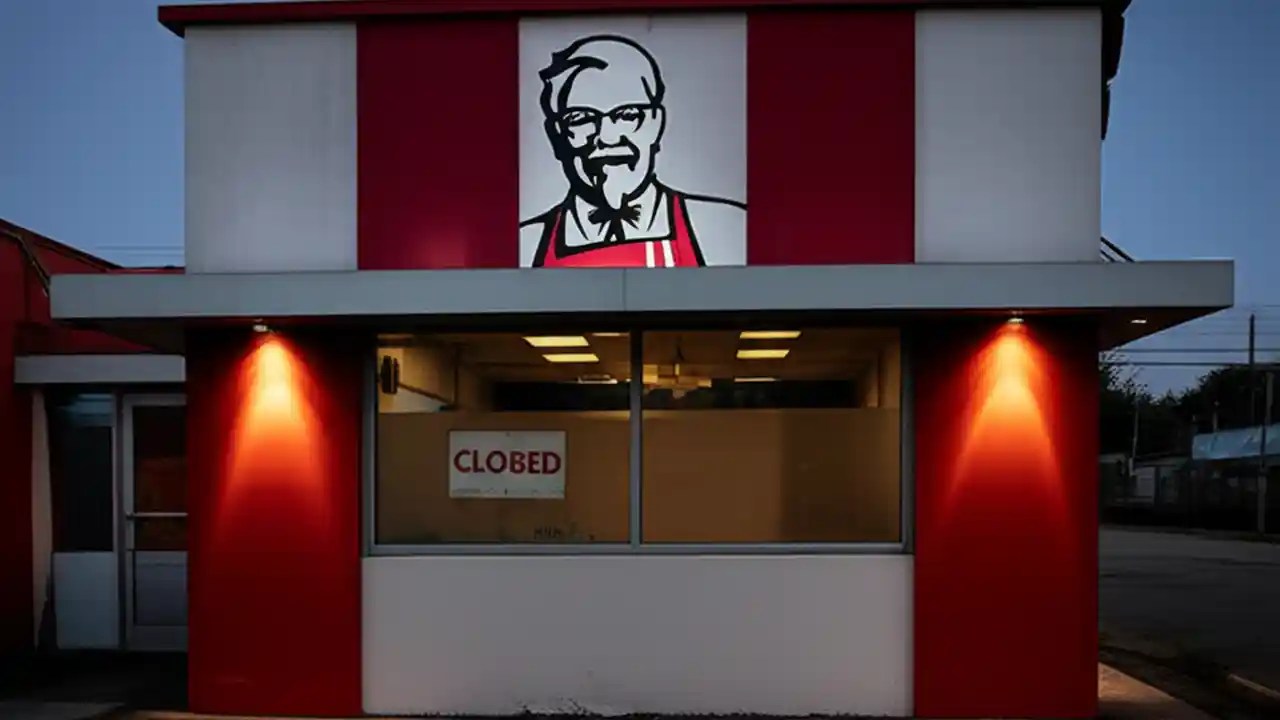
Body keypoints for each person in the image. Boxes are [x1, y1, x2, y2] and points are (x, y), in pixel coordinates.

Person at [522, 35, 745, 268]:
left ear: (656, 124)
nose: (608, 137)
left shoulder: (721, 226)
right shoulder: (530, 242)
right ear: (556, 135)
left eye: (628, 115)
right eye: (581, 118)